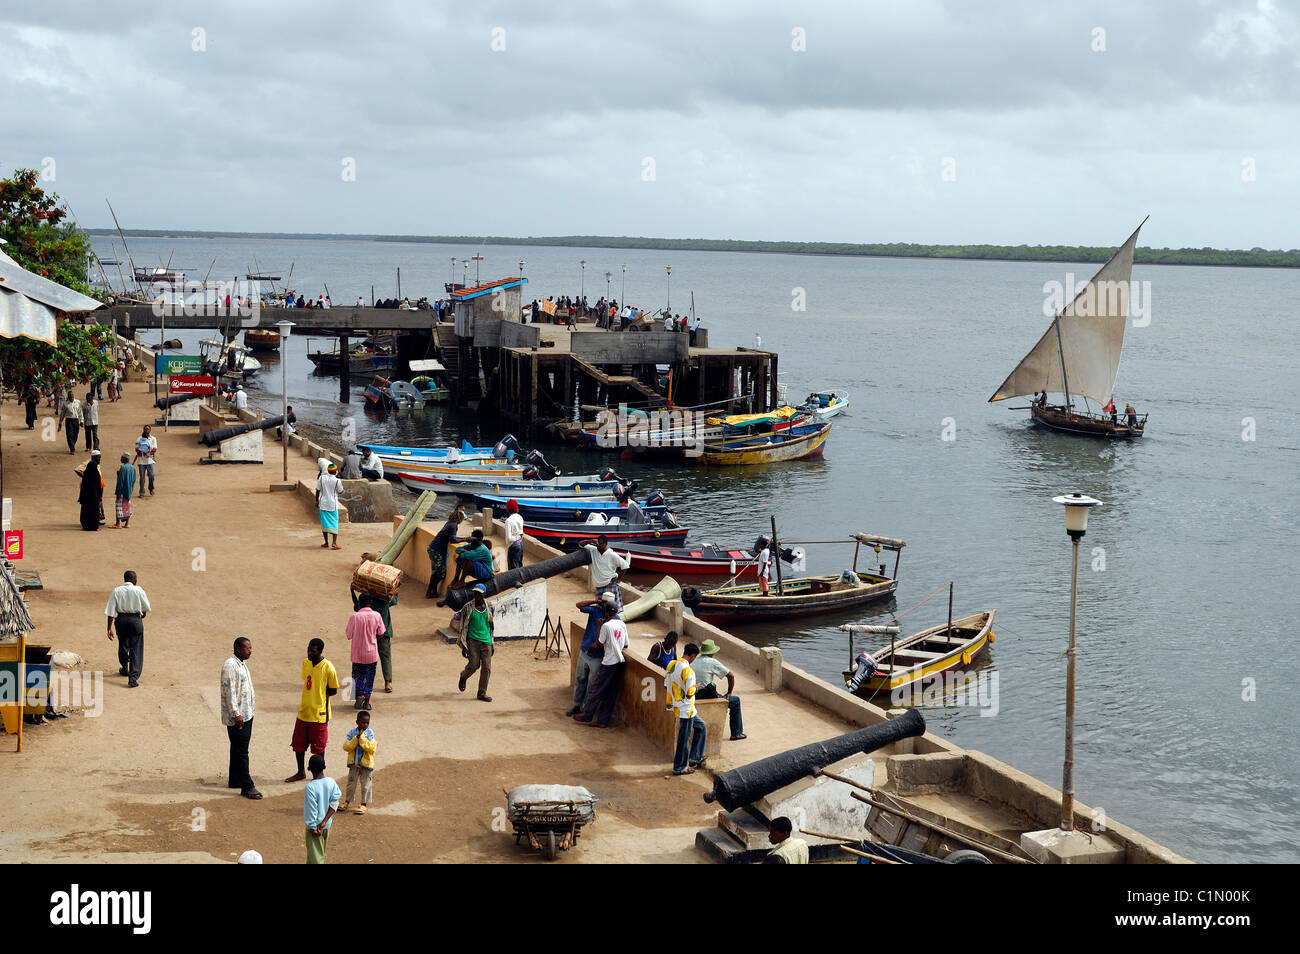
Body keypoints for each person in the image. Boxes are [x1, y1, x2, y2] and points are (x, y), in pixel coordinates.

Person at [286, 638, 339, 783]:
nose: (309, 653)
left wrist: (320, 696)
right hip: (303, 711)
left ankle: (318, 776)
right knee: (298, 744)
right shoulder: (306, 663)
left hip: (319, 714)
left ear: (320, 652)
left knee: (319, 747)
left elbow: (333, 690)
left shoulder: (328, 667)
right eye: (308, 650)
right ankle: (301, 772)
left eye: (313, 651)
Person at [574, 594, 628, 728]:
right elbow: (625, 645)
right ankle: (602, 721)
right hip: (620, 662)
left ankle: (587, 716)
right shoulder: (621, 624)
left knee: (595, 690)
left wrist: (599, 626)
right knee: (610, 693)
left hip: (608, 662)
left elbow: (598, 643)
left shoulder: (606, 626)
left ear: (606, 611)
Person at [221, 637, 262, 799]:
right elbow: (229, 693)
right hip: (238, 717)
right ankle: (247, 785)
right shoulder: (230, 666)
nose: (250, 651)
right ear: (238, 649)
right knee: (242, 751)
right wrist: (236, 714)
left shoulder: (241, 664)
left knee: (237, 748)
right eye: (247, 648)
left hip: (246, 713)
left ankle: (235, 779)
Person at [694, 639, 747, 741]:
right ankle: (736, 733)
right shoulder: (712, 662)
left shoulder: (694, 661)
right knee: (735, 701)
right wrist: (729, 693)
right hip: (707, 696)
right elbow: (731, 676)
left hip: (694, 695)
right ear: (712, 652)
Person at [105, 569, 150, 688]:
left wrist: (109, 628)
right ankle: (133, 678)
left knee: (123, 644)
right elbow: (146, 607)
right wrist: (142, 615)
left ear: (124, 579)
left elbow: (111, 611)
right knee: (136, 648)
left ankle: (125, 668)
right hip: (135, 621)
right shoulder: (139, 590)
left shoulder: (117, 591)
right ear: (134, 579)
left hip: (121, 621)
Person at [666, 642, 706, 774]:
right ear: (693, 656)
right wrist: (696, 687)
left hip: (678, 706)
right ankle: (679, 767)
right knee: (684, 738)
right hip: (686, 709)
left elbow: (667, 684)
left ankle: (694, 758)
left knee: (701, 727)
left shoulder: (672, 664)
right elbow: (689, 693)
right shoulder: (689, 671)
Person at [567, 597, 610, 716]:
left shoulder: (613, 619)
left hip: (597, 655)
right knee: (580, 679)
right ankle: (577, 705)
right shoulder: (596, 610)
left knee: (591, 684)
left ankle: (586, 708)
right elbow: (579, 604)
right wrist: (595, 601)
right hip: (585, 650)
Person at [345, 593, 385, 711]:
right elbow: (381, 633)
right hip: (371, 653)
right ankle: (366, 702)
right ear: (371, 602)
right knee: (369, 677)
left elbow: (348, 635)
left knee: (357, 676)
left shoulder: (354, 617)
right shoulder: (377, 616)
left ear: (359, 603)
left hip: (357, 654)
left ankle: (358, 696)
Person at [353, 588, 396, 693]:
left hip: (369, 635)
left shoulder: (366, 603)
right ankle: (388, 682)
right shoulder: (385, 600)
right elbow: (394, 600)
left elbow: (357, 607)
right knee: (385, 657)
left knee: (364, 661)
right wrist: (395, 589)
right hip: (384, 633)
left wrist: (352, 592)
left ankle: (361, 686)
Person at [457, 584, 494, 703]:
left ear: (483, 594)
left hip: (486, 641)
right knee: (474, 665)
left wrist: (492, 643)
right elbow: (463, 627)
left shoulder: (489, 606)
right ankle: (463, 676)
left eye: (479, 593)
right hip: (472, 641)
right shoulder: (467, 608)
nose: (476, 595)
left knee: (487, 668)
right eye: (475, 593)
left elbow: (491, 626)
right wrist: (463, 645)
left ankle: (482, 693)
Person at [303, 754, 341, 864]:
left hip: (315, 828)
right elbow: (335, 803)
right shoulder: (331, 782)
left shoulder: (310, 787)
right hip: (326, 826)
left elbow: (311, 810)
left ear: (309, 769)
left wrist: (312, 828)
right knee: (314, 857)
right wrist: (324, 822)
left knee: (316, 859)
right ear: (324, 767)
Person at [339, 710, 377, 815]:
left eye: (367, 723)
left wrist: (362, 739)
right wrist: (356, 738)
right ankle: (347, 801)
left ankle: (364, 804)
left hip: (366, 764)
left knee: (366, 785)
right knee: (351, 783)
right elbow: (346, 746)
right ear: (357, 722)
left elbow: (371, 748)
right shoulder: (352, 733)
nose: (364, 725)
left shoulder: (370, 733)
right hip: (354, 764)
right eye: (362, 722)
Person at [581, 535, 630, 612]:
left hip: (610, 584)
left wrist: (618, 579)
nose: (598, 545)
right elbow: (581, 544)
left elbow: (625, 565)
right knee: (601, 609)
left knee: (613, 609)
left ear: (606, 544)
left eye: (600, 544)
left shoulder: (612, 555)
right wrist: (591, 541)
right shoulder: (594, 550)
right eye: (597, 544)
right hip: (599, 585)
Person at [425, 509, 466, 598]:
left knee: (435, 572)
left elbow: (452, 537)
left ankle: (432, 592)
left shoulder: (449, 523)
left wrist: (464, 538)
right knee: (441, 574)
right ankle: (429, 591)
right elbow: (453, 539)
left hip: (432, 548)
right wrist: (465, 539)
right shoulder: (454, 525)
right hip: (437, 551)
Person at [316, 462, 343, 549]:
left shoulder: (321, 478)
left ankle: (326, 542)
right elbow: (341, 491)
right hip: (333, 505)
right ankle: (334, 543)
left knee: (324, 524)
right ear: (336, 472)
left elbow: (317, 490)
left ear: (328, 471)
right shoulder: (337, 481)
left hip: (323, 504)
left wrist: (316, 501)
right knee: (334, 523)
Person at [78, 450, 104, 531]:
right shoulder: (94, 468)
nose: (99, 459)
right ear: (94, 457)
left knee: (85, 511)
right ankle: (94, 527)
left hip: (86, 496)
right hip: (94, 496)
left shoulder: (87, 474)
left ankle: (85, 526)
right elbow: (98, 485)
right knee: (94, 511)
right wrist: (99, 496)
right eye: (98, 457)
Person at [111, 452, 136, 529]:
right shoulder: (132, 468)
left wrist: (118, 492)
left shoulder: (123, 468)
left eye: (122, 458)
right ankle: (127, 523)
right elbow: (133, 479)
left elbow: (120, 481)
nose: (120, 459)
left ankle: (118, 523)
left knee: (119, 506)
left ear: (125, 459)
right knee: (127, 506)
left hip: (122, 491)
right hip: (129, 490)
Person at [134, 425, 157, 496]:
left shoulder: (153, 439)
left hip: (150, 461)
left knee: (152, 475)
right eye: (146, 429)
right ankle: (142, 492)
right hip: (141, 461)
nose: (147, 430)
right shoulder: (139, 439)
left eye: (148, 429)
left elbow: (155, 449)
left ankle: (151, 488)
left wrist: (148, 452)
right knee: (142, 478)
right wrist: (141, 452)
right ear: (143, 430)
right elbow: (136, 449)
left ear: (150, 430)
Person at [504, 499, 524, 570]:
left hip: (513, 546)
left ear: (508, 509)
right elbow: (521, 532)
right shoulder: (520, 517)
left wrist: (517, 537)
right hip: (520, 545)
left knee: (513, 570)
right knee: (519, 566)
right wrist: (519, 536)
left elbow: (509, 538)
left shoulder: (508, 521)